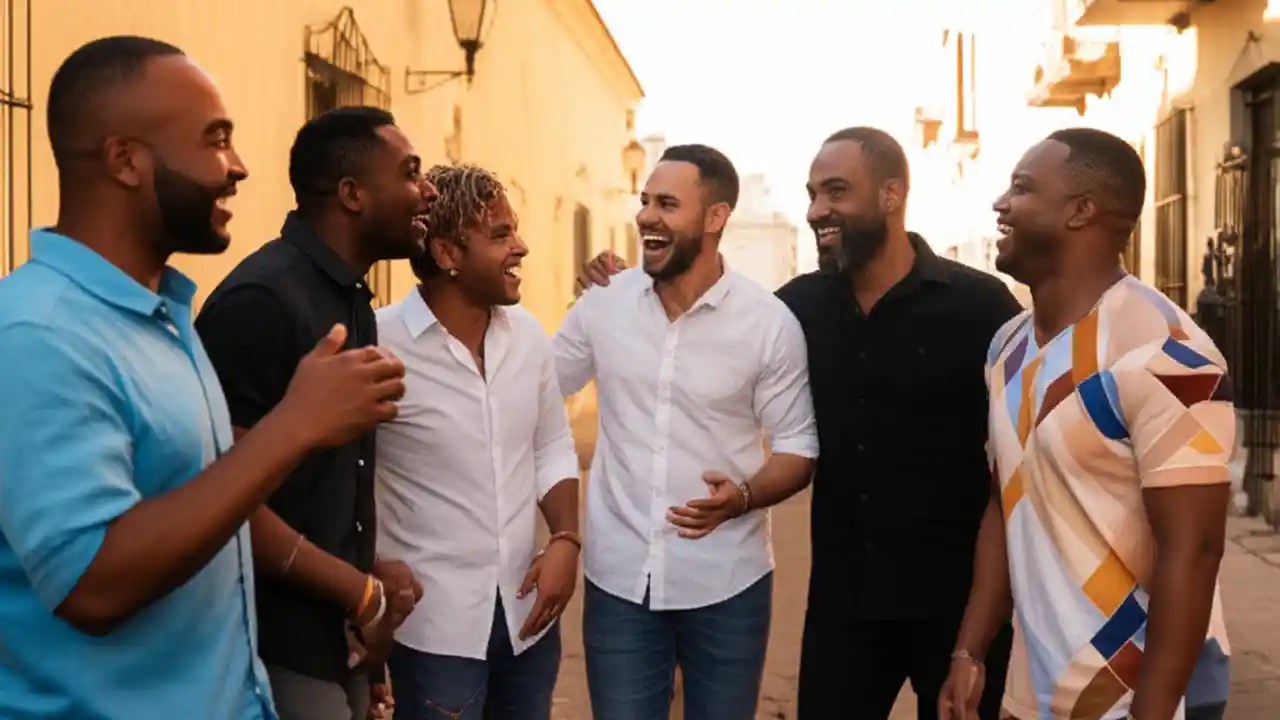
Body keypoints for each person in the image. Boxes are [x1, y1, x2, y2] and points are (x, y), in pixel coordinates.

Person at [0, 36, 406, 720]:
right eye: (215, 140)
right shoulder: (39, 333)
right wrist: (294, 427)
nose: (238, 167)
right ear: (125, 160)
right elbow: (92, 586)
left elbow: (208, 514)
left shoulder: (162, 315)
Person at [581, 127, 1020, 720]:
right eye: (812, 194)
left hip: (955, 606)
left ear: (892, 195)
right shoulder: (794, 310)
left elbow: (1014, 476)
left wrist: (975, 640)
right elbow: (709, 330)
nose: (817, 211)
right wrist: (620, 286)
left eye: (836, 192)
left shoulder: (983, 309)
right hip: (843, 611)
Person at [940, 128, 1233, 720]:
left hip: (1140, 696)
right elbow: (1006, 502)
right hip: (1036, 691)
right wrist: (970, 649)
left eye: (1021, 189)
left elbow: (1194, 549)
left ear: (1081, 211)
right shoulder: (1008, 347)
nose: (1001, 203)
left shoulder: (1167, 353)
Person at [556, 143, 820, 719]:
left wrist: (742, 498)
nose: (647, 215)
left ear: (715, 217)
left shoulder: (767, 324)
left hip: (727, 582)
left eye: (668, 204)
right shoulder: (604, 303)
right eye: (645, 201)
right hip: (619, 578)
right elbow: (539, 389)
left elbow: (798, 447)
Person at [195, 106, 431, 720]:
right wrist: (363, 595)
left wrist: (366, 570)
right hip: (275, 651)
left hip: (339, 644)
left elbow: (317, 482)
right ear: (352, 195)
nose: (425, 190)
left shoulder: (351, 298)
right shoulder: (262, 302)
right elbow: (228, 502)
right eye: (409, 173)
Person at [374, 163, 581, 720]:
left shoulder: (529, 337)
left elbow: (551, 444)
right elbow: (341, 473)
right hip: (432, 629)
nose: (522, 247)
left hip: (526, 618)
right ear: (447, 254)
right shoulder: (379, 345)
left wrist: (565, 539)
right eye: (501, 235)